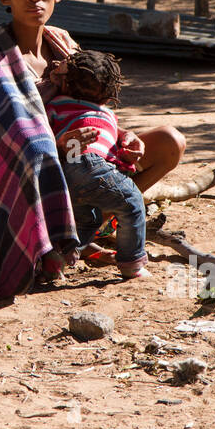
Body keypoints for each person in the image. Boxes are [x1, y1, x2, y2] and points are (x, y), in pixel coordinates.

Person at [0, 0, 185, 297]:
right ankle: (60, 237)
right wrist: (62, 142)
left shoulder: (63, 43)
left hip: (83, 156)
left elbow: (89, 105)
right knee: (39, 151)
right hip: (30, 174)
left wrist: (120, 134)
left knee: (170, 142)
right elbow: (13, 144)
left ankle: (92, 225)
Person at [46, 49, 149, 278]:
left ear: (66, 84)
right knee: (132, 201)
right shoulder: (107, 113)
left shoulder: (55, 104)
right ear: (108, 94)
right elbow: (108, 141)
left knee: (88, 218)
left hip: (65, 171)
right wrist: (126, 150)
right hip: (91, 164)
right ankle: (132, 262)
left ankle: (59, 259)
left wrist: (127, 138)